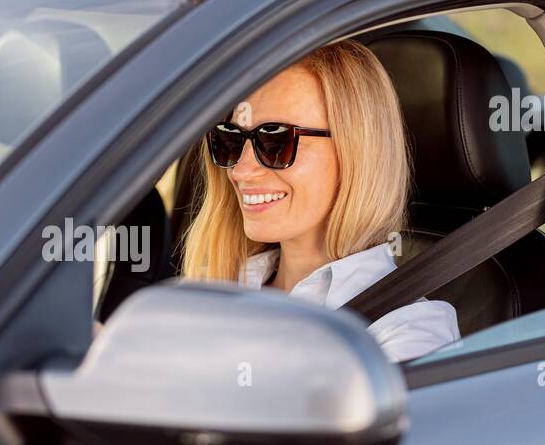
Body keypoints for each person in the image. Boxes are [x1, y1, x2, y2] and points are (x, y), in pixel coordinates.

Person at [180, 39, 459, 362]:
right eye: (231, 139)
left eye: (276, 140)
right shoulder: (214, 285)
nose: (241, 170)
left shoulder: (406, 329)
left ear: (355, 150)